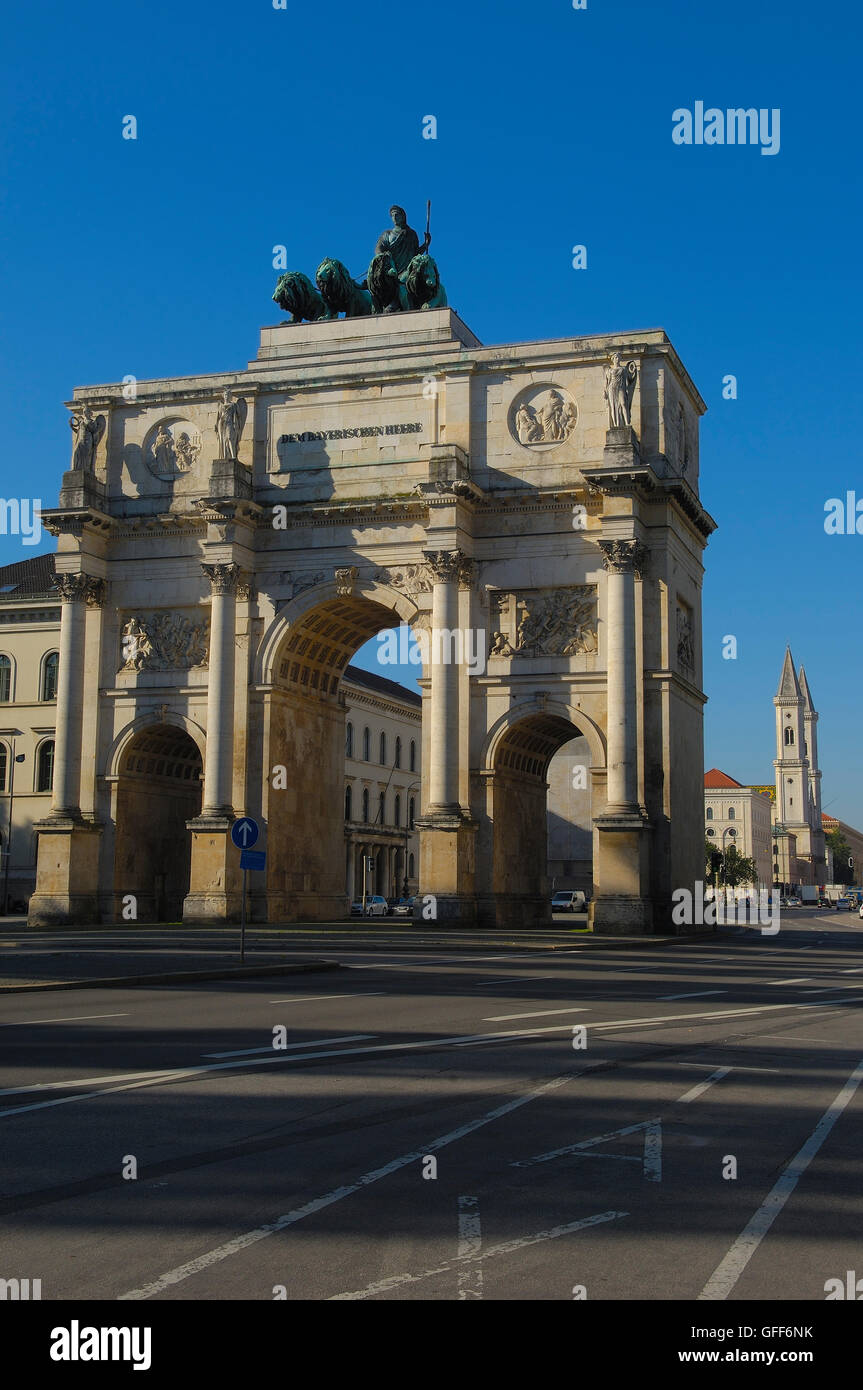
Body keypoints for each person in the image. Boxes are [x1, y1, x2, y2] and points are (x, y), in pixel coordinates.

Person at [374, 206, 430, 277]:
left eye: (396, 215)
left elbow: (415, 254)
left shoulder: (411, 234)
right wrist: (384, 257)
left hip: (408, 272)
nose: (394, 217)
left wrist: (425, 245)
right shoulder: (387, 234)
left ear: (403, 216)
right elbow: (378, 249)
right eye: (392, 216)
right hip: (391, 270)